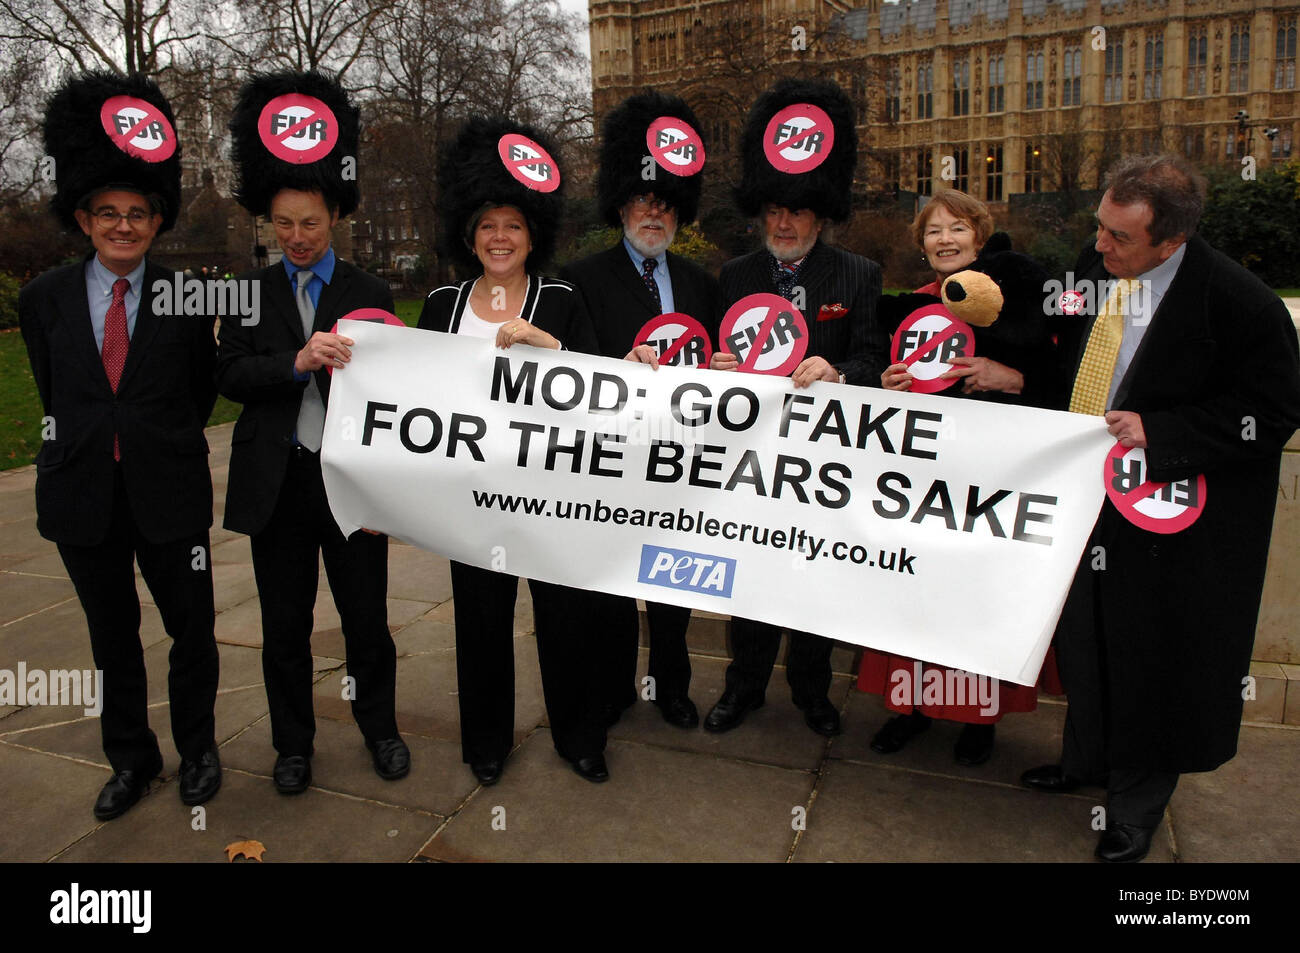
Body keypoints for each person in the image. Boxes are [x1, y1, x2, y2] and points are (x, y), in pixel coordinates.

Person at [1020, 155, 1300, 862]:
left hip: (1173, 523)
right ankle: (1086, 760)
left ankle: (1134, 809)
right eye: (1100, 228)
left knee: (1153, 657)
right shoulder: (1094, 270)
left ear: (1169, 241)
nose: (1100, 245)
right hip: (1087, 499)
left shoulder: (1241, 304)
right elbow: (1067, 356)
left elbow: (1271, 413)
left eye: (1118, 236)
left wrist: (1163, 432)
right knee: (1083, 635)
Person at [19, 73, 220, 819]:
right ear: (84, 218)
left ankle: (200, 750)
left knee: (191, 632)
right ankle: (131, 760)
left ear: (156, 221)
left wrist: (150, 436)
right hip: (83, 497)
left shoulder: (189, 298)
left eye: (138, 214)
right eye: (109, 213)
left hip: (167, 491)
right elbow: (54, 388)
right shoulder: (42, 299)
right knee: (113, 640)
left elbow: (199, 391)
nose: (123, 226)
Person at [217, 71, 408, 794]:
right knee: (285, 626)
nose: (297, 238)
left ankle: (381, 730)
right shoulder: (247, 294)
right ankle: (292, 745)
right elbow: (229, 376)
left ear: (336, 217)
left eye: (311, 223)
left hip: (350, 483)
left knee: (367, 620)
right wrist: (295, 362)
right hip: (278, 482)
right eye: (284, 224)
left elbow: (395, 394)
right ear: (269, 221)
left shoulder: (369, 292)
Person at [418, 116, 610, 784]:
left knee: (565, 619)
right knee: (480, 622)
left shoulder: (560, 297)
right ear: (469, 235)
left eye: (513, 225)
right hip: (471, 497)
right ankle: (486, 744)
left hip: (552, 496)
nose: (500, 238)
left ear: (534, 234)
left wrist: (552, 349)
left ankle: (580, 737)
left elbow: (602, 387)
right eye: (487, 226)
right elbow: (414, 398)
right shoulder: (442, 305)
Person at [704, 79, 890, 738]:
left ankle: (813, 691)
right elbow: (706, 371)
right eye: (774, 212)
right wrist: (716, 368)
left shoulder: (859, 275)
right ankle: (742, 686)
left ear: (822, 213)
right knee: (748, 580)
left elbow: (875, 362)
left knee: (815, 583)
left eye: (798, 213)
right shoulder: (734, 277)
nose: (783, 224)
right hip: (752, 465)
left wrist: (838, 371)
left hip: (822, 468)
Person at [857, 189, 1057, 765]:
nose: (945, 240)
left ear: (980, 234)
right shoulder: (914, 305)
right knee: (916, 593)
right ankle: (912, 708)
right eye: (933, 231)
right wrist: (888, 386)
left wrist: (1008, 375)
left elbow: (1058, 384)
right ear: (921, 246)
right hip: (920, 484)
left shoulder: (1016, 300)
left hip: (993, 480)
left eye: (958, 229)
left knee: (979, 599)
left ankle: (979, 719)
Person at [560, 91, 722, 730]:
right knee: (612, 581)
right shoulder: (581, 277)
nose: (653, 213)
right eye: (641, 201)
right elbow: (569, 365)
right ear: (620, 205)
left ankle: (672, 687)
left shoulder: (703, 283)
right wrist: (615, 365)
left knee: (673, 585)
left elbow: (718, 368)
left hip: (684, 457)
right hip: (612, 455)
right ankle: (613, 688)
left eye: (664, 204)